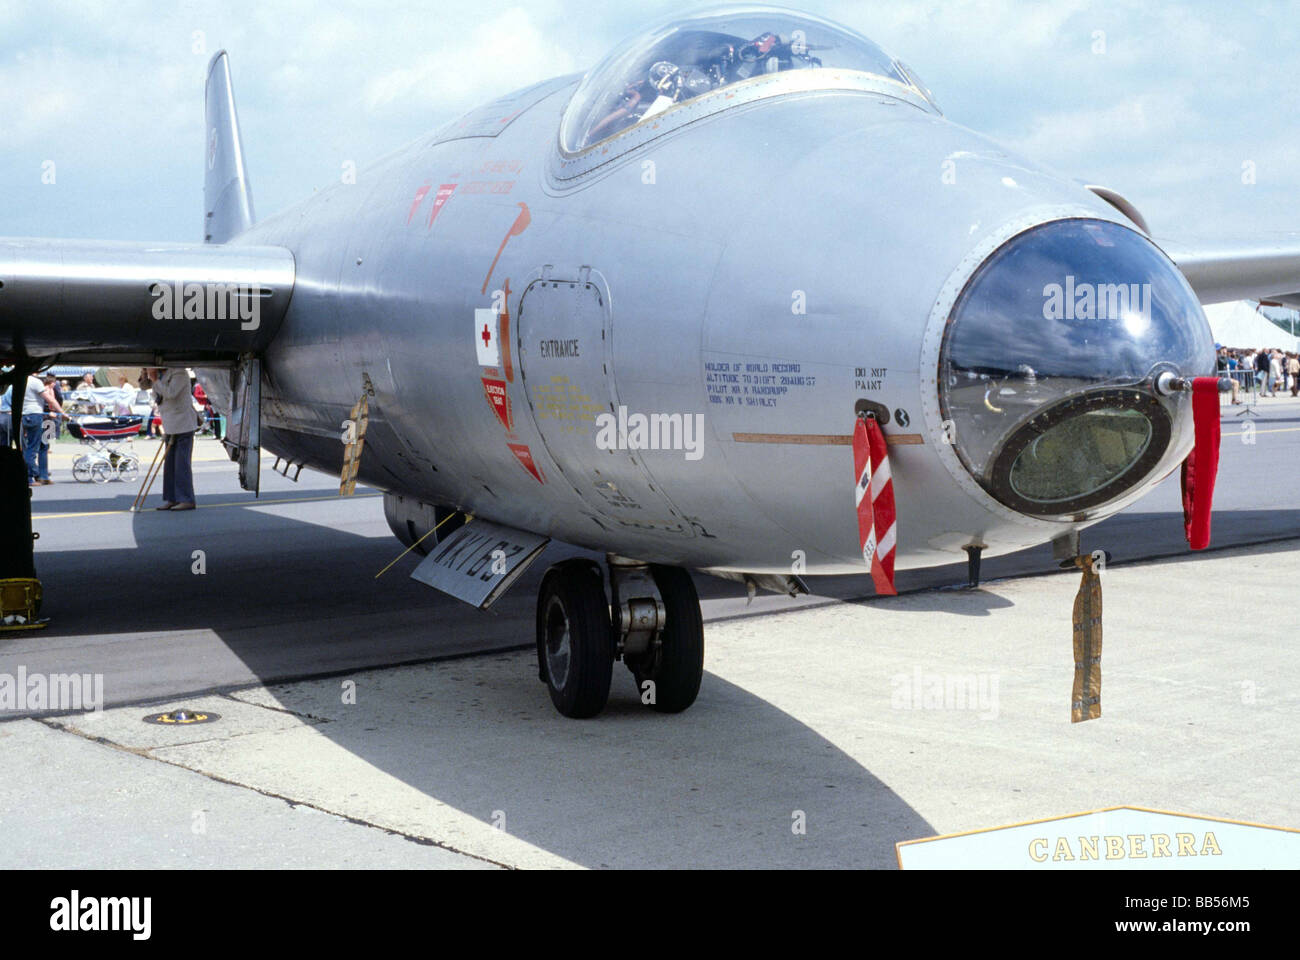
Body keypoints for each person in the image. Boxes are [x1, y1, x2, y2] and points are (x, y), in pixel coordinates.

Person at [149, 367, 199, 511]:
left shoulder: (179, 373)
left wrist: (155, 380)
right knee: (170, 464)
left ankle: (186, 499)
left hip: (183, 424)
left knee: (181, 464)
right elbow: (157, 394)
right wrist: (152, 380)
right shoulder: (163, 375)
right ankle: (172, 498)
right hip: (170, 424)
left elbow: (171, 393)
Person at [21, 373, 63, 485]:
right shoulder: (39, 386)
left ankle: (43, 476)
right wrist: (60, 412)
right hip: (41, 417)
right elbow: (52, 401)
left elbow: (58, 399)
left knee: (44, 446)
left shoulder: (50, 388)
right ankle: (36, 474)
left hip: (47, 420)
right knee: (34, 447)